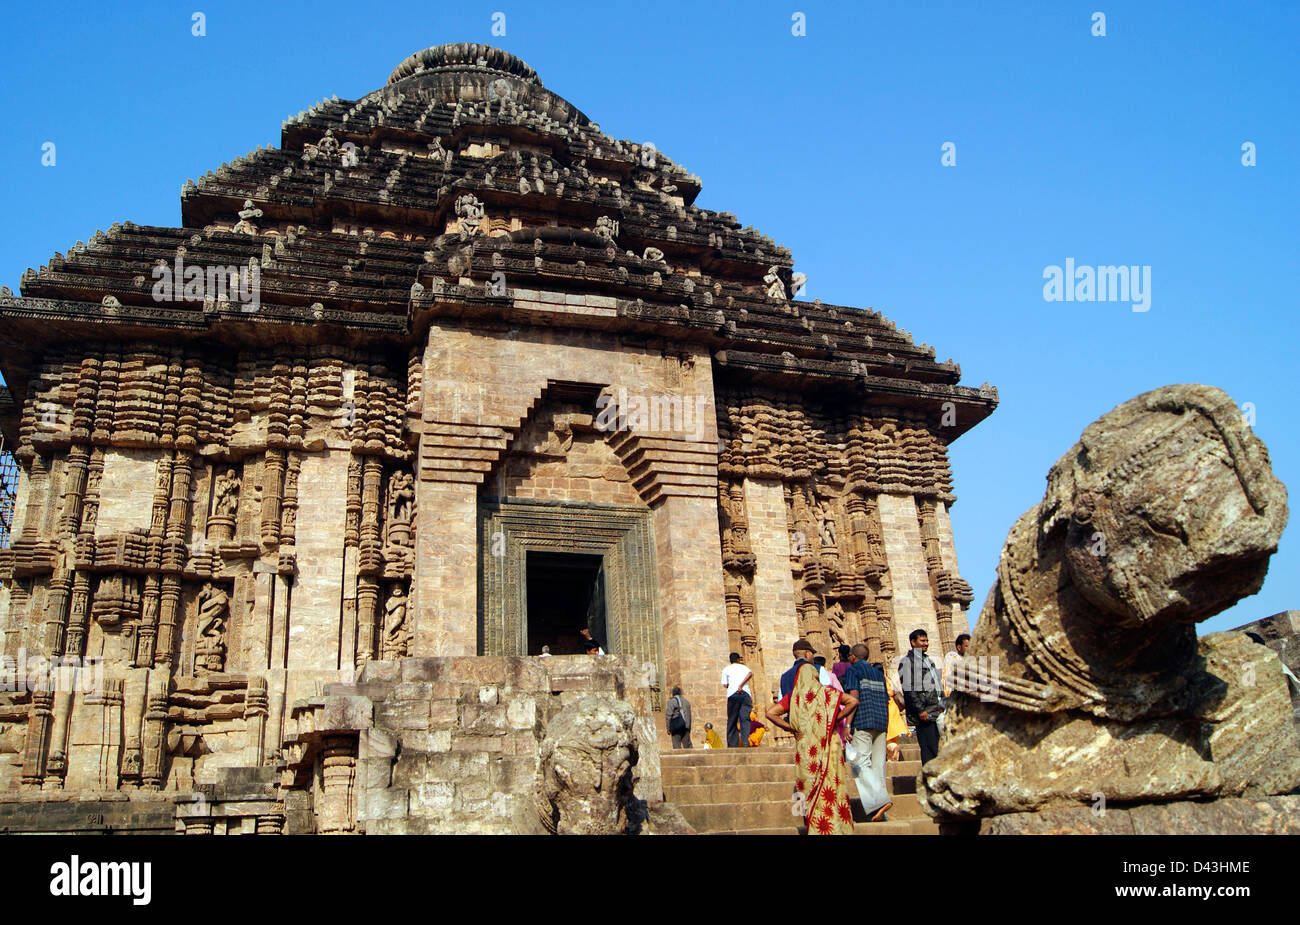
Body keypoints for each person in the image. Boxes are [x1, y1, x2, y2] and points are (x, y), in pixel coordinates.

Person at [766, 659, 858, 835]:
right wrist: (836, 718)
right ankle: (836, 826)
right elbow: (853, 701)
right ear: (815, 676)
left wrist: (790, 727)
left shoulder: (793, 697)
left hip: (806, 749)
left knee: (810, 786)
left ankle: (816, 827)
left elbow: (770, 713)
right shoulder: (828, 693)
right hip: (829, 746)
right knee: (832, 784)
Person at [840, 644, 892, 820]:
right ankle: (880, 811)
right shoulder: (878, 673)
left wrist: (847, 724)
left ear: (853, 656)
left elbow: (854, 697)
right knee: (878, 766)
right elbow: (886, 699)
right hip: (881, 721)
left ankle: (880, 801)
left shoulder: (853, 670)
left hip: (863, 720)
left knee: (858, 761)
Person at [899, 628, 945, 764]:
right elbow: (909, 689)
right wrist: (920, 709)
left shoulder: (928, 660)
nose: (926, 643)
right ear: (913, 642)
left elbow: (935, 682)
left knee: (939, 747)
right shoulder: (907, 661)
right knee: (929, 748)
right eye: (922, 640)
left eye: (927, 640)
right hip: (925, 711)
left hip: (936, 707)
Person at [720, 652, 754, 747]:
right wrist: (742, 684)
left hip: (733, 694)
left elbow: (725, 684)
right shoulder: (744, 667)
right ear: (738, 659)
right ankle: (745, 742)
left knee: (732, 719)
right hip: (745, 694)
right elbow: (750, 673)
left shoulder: (726, 669)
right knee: (745, 718)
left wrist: (734, 685)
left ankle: (732, 744)